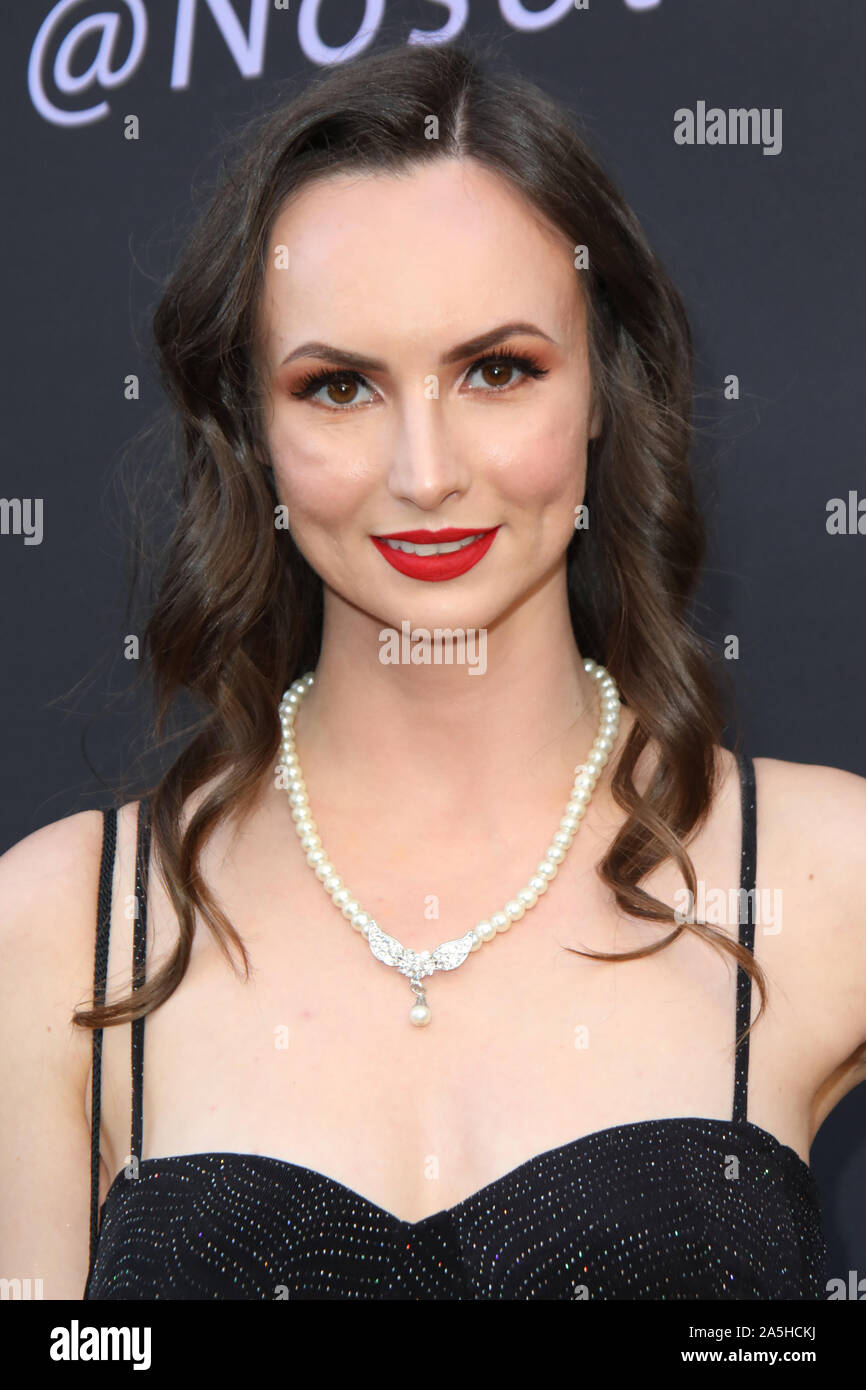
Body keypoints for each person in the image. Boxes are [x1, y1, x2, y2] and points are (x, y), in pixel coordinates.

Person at [1, 38, 864, 1302]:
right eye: (338, 385)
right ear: (251, 428)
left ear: (601, 393)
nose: (424, 470)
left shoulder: (821, 879)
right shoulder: (63, 930)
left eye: (497, 370)